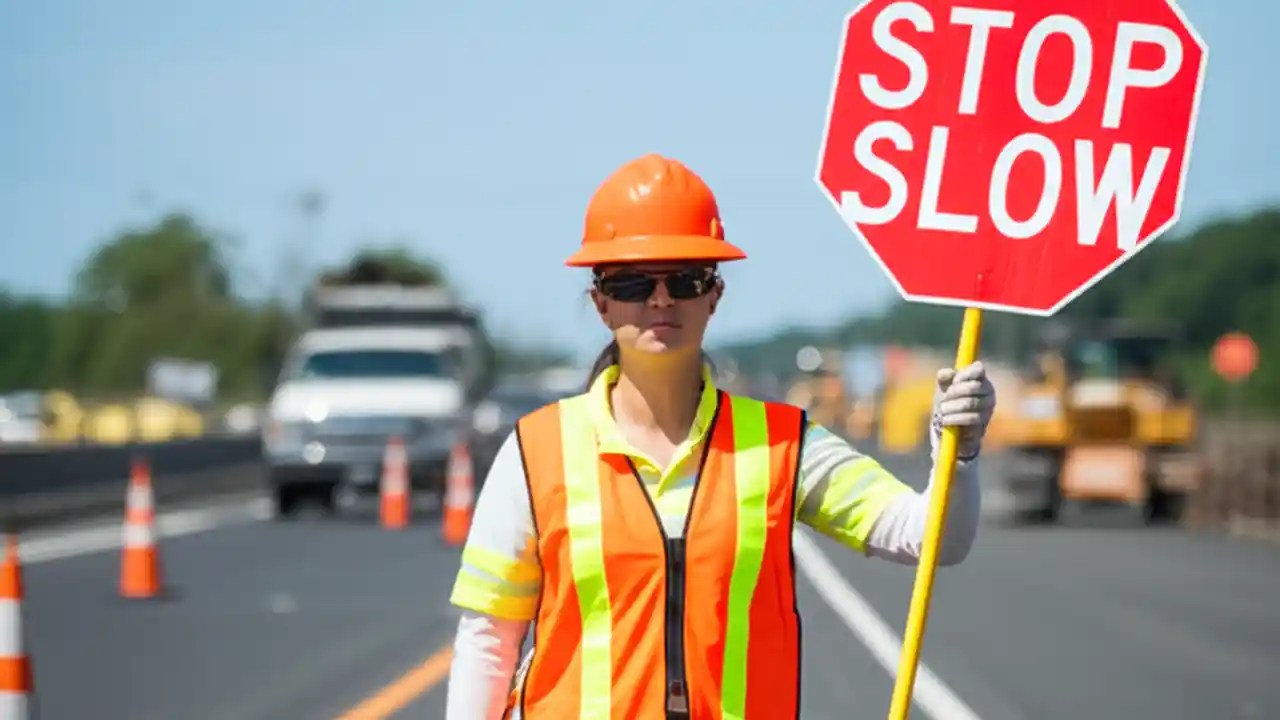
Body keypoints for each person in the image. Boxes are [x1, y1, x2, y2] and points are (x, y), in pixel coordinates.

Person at [444, 153, 996, 719]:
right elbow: (488, 640)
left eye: (685, 279)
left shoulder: (781, 445)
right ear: (601, 303)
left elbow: (934, 542)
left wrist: (959, 454)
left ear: (715, 295)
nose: (661, 299)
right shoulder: (538, 452)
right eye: (634, 281)